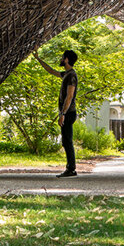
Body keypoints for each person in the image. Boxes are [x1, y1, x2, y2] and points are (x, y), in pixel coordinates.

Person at [33, 49, 79, 178]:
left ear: (67, 60)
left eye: (62, 57)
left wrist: (63, 113)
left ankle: (71, 169)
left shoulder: (71, 76)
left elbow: (69, 96)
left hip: (68, 113)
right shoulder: (67, 74)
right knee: (66, 140)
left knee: (67, 141)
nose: (61, 59)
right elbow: (51, 71)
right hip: (66, 112)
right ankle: (70, 168)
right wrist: (38, 58)